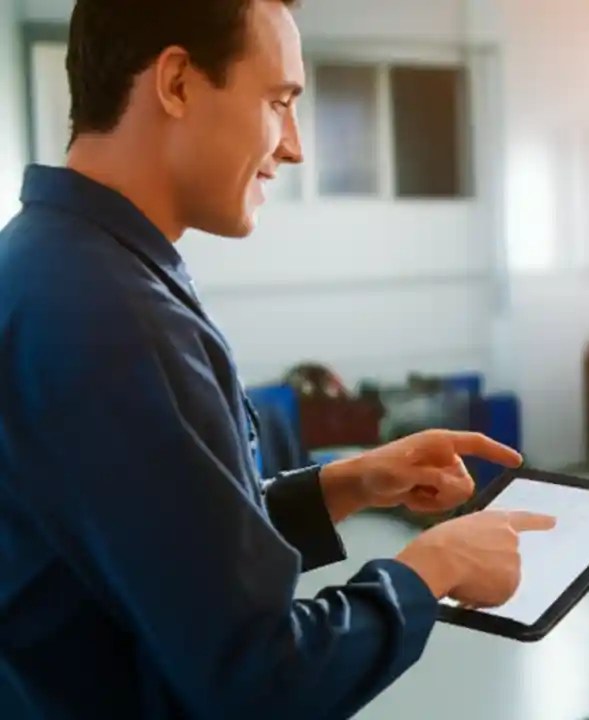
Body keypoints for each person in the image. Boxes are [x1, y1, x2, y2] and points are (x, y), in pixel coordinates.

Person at [0, 1, 555, 718]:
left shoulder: (43, 265)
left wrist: (345, 485)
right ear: (176, 84)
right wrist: (432, 569)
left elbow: (155, 551)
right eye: (278, 102)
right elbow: (259, 681)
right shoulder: (118, 321)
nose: (293, 147)